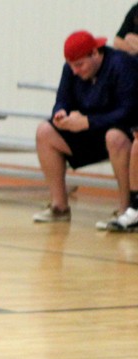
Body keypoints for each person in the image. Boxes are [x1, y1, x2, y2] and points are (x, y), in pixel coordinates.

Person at [32, 30, 138, 225]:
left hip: (119, 130)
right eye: (71, 66)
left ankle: (126, 209)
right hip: (88, 130)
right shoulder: (71, 69)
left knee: (115, 137)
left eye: (80, 65)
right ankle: (59, 206)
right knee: (44, 132)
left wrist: (88, 121)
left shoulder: (122, 65)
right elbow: (62, 99)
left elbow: (128, 111)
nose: (75, 71)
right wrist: (60, 113)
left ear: (95, 54)